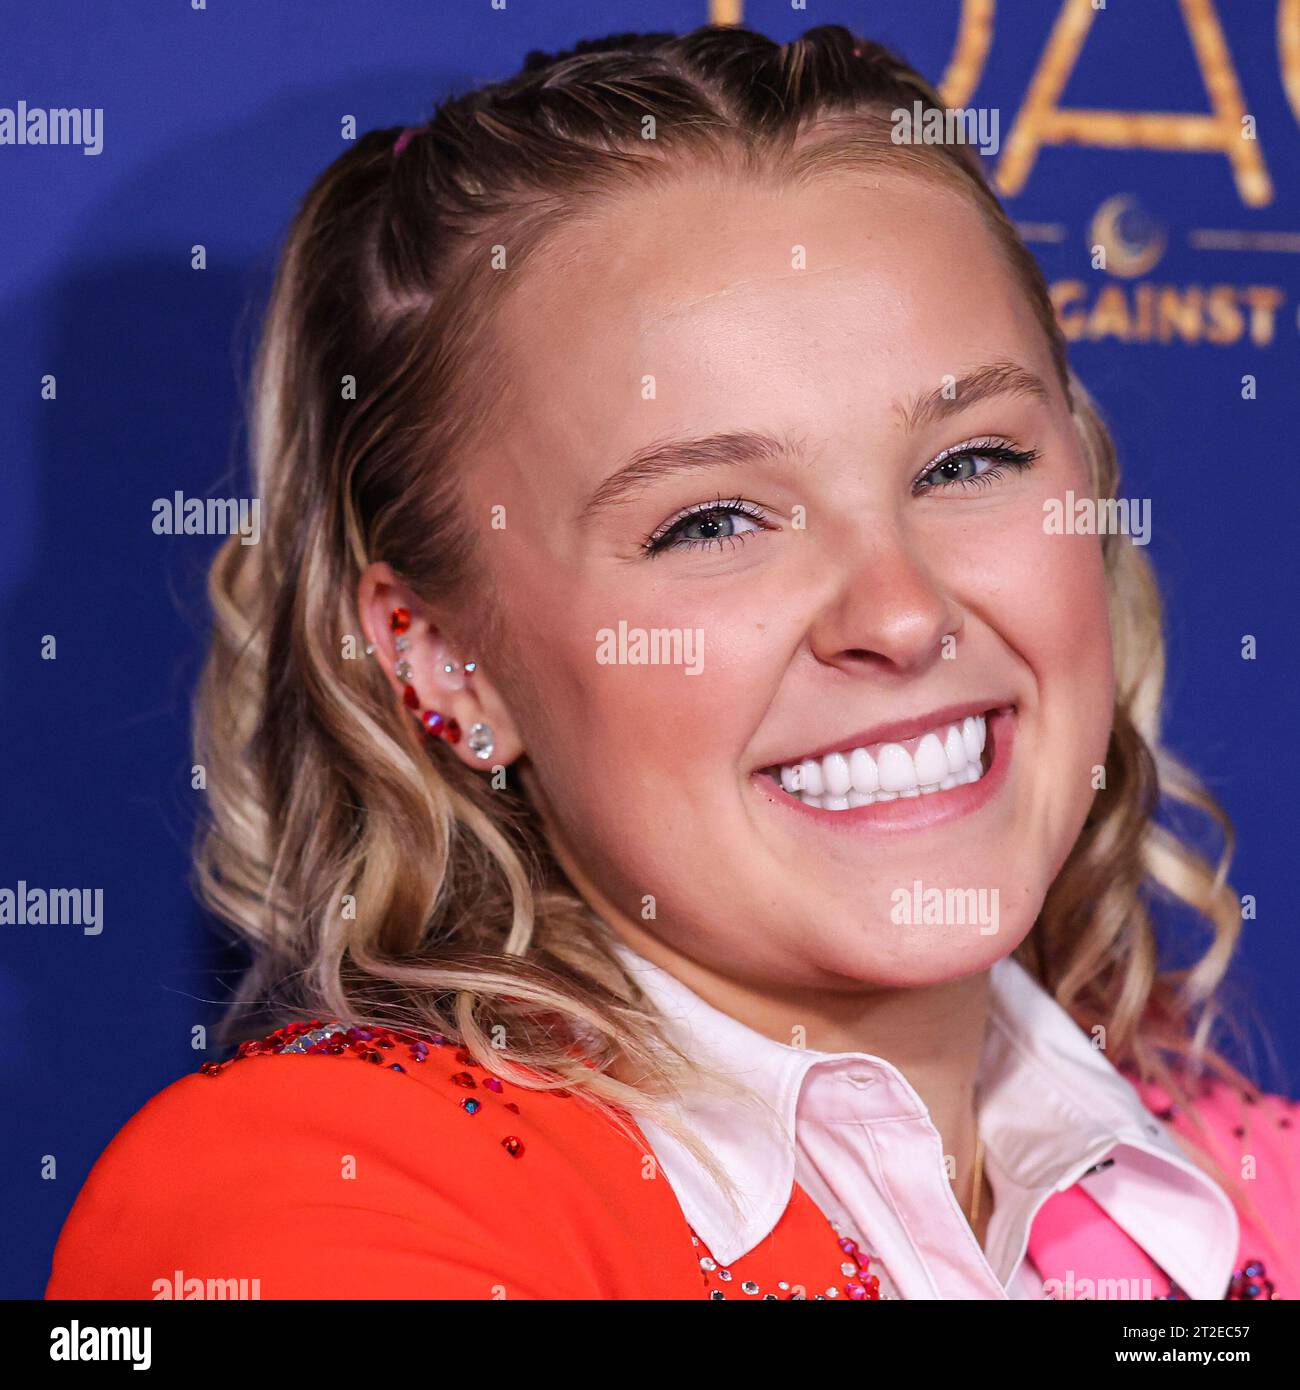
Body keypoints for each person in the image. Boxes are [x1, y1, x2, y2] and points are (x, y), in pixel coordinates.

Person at [46, 24, 1296, 1301]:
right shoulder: (315, 1202)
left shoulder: (1256, 1178)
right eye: (710, 523)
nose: (901, 612)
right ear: (444, 659)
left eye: (968, 461)